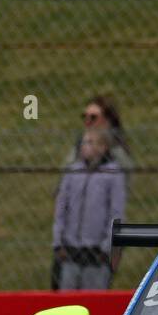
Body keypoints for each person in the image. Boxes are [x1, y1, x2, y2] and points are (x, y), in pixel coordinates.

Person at [53, 95, 134, 288]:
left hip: (98, 246)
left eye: (93, 117)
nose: (88, 122)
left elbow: (117, 208)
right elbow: (62, 193)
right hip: (72, 243)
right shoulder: (76, 160)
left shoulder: (117, 162)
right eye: (85, 117)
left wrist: (108, 246)